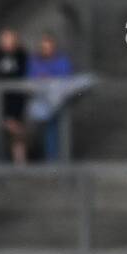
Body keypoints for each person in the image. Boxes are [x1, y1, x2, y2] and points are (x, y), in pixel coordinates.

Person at [25, 32, 75, 161]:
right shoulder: (35, 61)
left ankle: (53, 159)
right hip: (39, 100)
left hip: (56, 101)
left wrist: (49, 78)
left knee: (53, 130)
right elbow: (31, 77)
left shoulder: (61, 60)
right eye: (44, 47)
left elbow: (66, 76)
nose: (47, 50)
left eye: (49, 46)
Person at [0, 28, 29, 164]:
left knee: (17, 134)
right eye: (4, 39)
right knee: (0, 131)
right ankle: (1, 159)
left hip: (17, 100)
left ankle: (20, 162)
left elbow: (22, 75)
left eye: (9, 39)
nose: (6, 42)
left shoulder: (21, 55)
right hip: (0, 101)